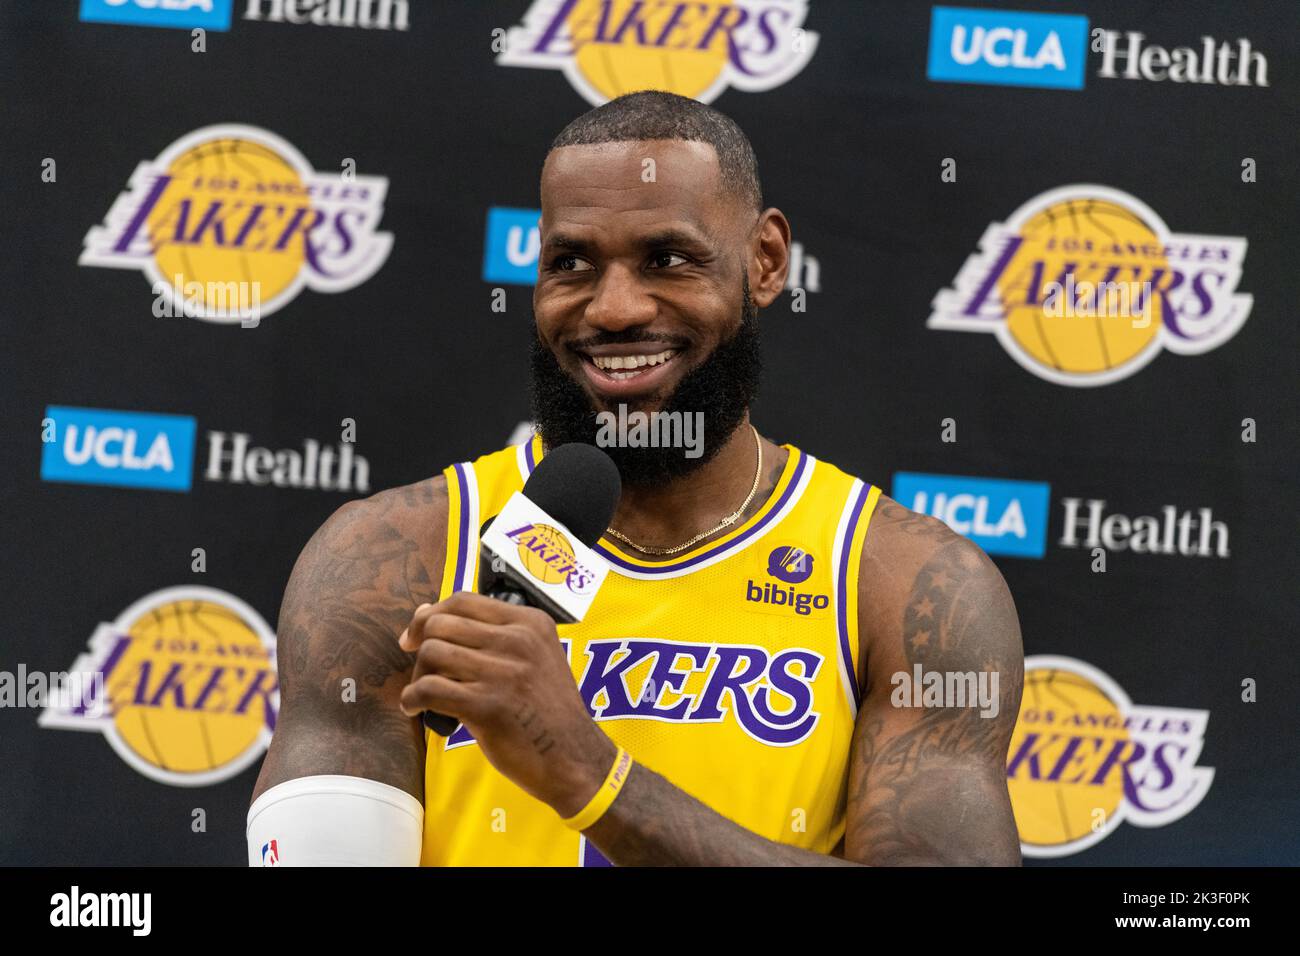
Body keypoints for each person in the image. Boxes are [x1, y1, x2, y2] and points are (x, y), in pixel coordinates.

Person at [247, 90, 1024, 867]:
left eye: (669, 258)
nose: (614, 309)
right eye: (572, 263)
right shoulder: (396, 556)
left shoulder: (900, 581)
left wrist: (590, 777)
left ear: (766, 261)